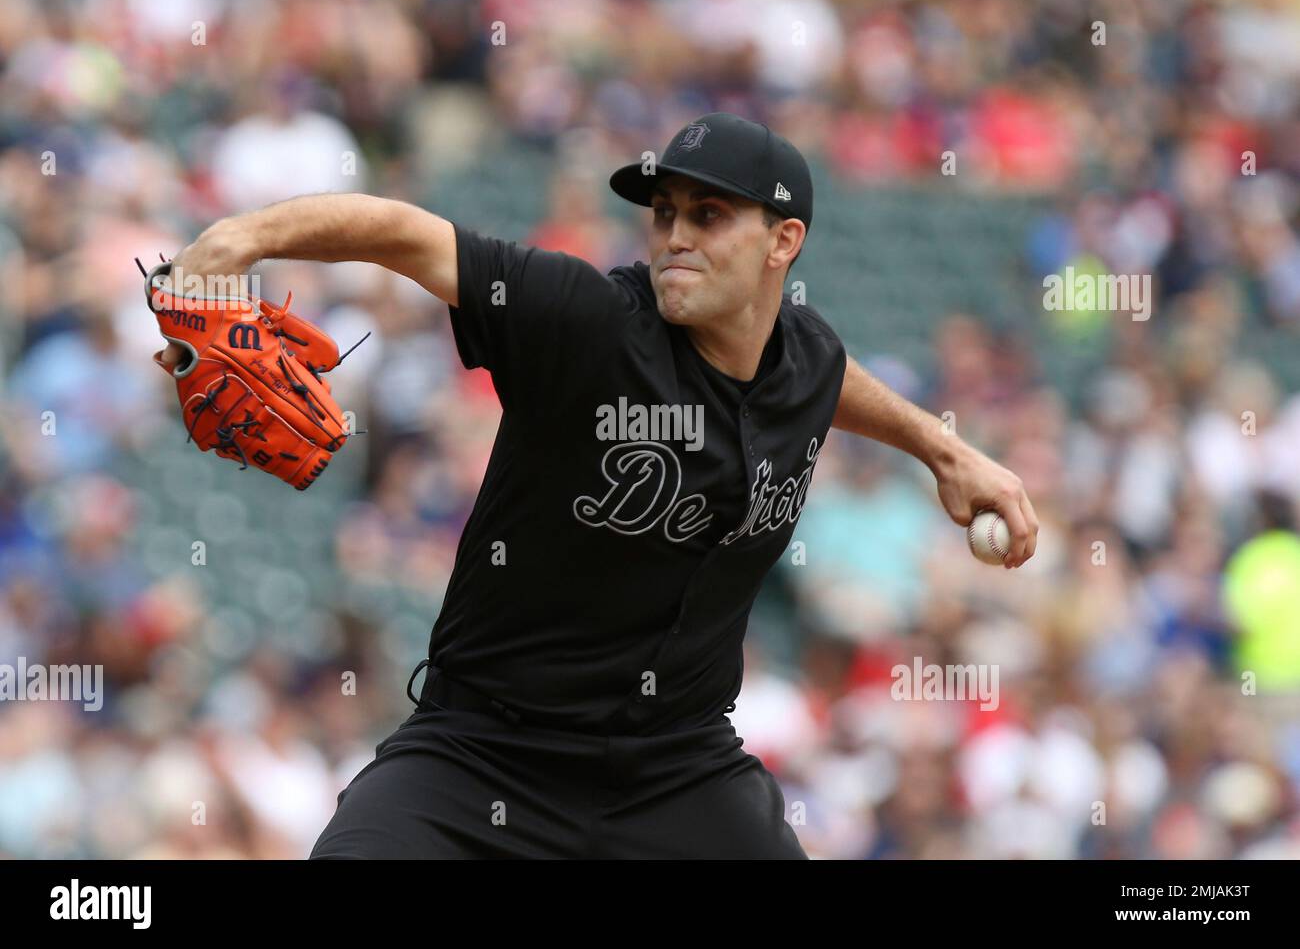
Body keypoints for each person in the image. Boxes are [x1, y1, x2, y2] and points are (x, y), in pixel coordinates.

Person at [158, 112, 1038, 858]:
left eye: (708, 213)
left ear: (784, 242)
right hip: (483, 754)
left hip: (678, 768)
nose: (677, 235)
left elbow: (829, 380)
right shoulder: (585, 321)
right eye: (663, 213)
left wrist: (944, 451)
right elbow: (410, 236)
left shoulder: (805, 357)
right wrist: (247, 236)